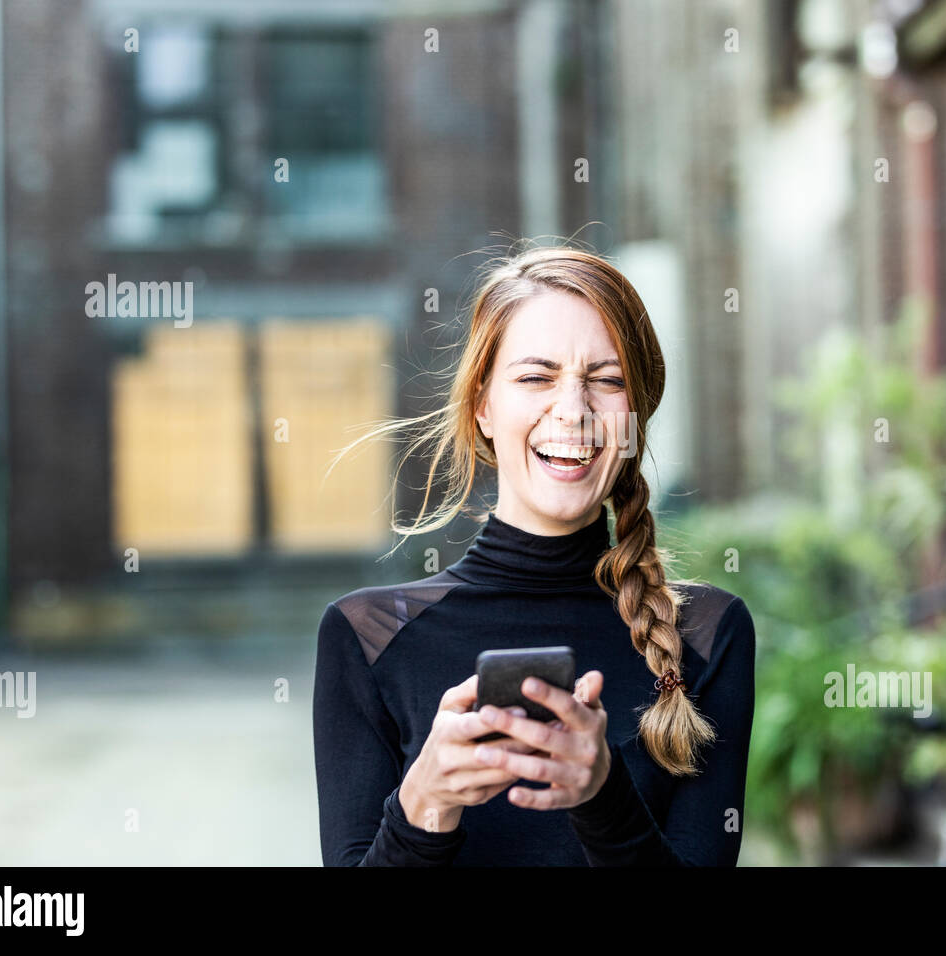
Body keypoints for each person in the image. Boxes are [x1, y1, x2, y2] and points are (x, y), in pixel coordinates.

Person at [313, 243, 756, 865]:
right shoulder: (369, 637)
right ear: (482, 407)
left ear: (635, 418)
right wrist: (425, 804)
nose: (572, 410)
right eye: (535, 377)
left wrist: (601, 794)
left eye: (606, 381)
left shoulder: (709, 634)